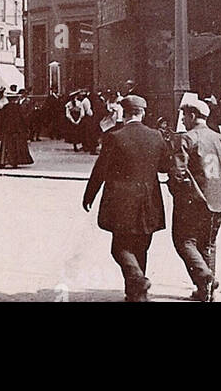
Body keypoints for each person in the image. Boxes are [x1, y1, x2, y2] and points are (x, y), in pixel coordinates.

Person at [82, 95, 167, 302]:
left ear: (125, 112)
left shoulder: (115, 136)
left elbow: (100, 169)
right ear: (143, 113)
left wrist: (89, 194)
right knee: (142, 246)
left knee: (120, 247)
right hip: (149, 201)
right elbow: (164, 167)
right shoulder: (156, 136)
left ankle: (137, 281)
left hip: (122, 201)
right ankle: (137, 294)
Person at [168, 97, 221, 301]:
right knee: (208, 245)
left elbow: (178, 172)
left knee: (184, 241)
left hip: (193, 199)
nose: (183, 120)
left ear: (192, 115)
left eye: (184, 115)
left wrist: (176, 191)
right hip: (217, 198)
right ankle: (206, 291)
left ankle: (205, 277)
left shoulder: (186, 138)